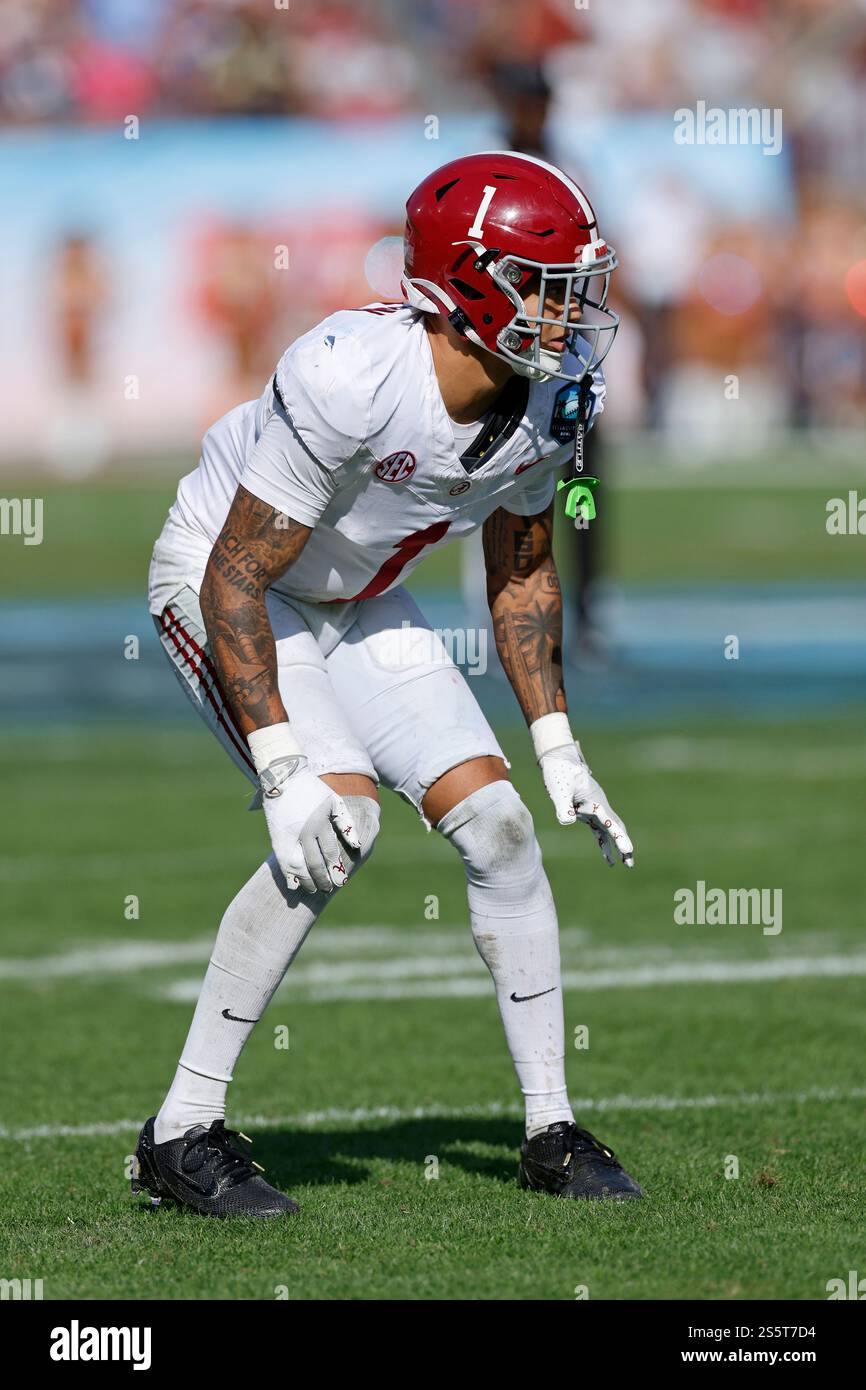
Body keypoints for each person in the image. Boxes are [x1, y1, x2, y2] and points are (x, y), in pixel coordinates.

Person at [133, 151, 642, 1218]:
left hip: (356, 596)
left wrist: (557, 746)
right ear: (466, 286)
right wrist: (283, 770)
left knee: (500, 827)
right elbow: (234, 574)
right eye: (544, 287)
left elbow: (521, 567)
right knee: (338, 823)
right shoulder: (350, 373)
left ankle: (549, 1129)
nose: (568, 316)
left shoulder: (552, 398)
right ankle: (181, 1130)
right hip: (227, 577)